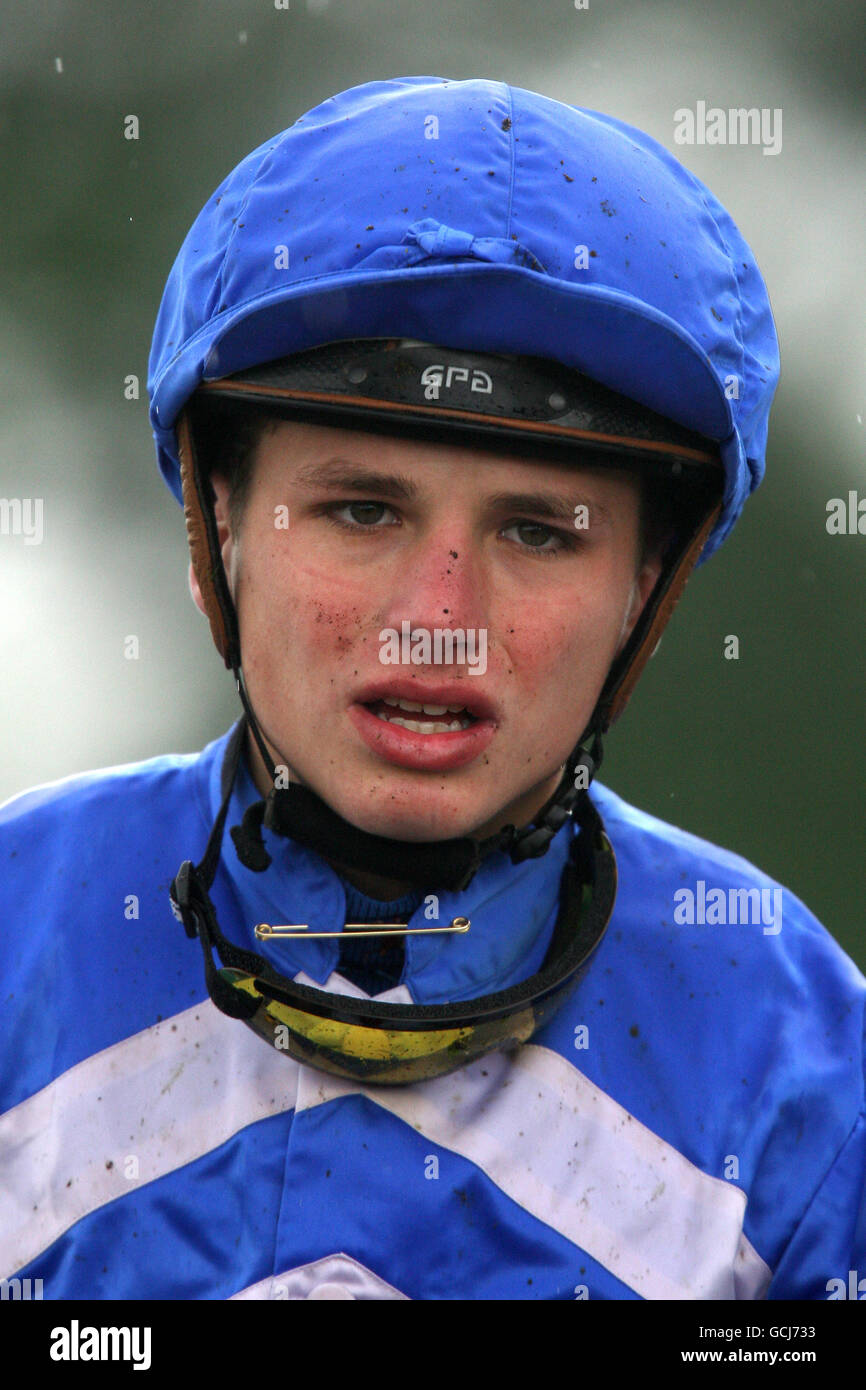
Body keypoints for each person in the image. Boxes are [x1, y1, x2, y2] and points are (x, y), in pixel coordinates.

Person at [1, 75, 863, 1303]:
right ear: (217, 528)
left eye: (538, 533)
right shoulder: (12, 944)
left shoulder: (812, 1089)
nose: (441, 621)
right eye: (361, 510)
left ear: (646, 592)